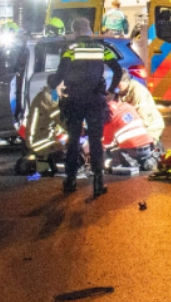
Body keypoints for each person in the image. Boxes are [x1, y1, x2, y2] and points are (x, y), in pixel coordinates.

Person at [48, 18, 125, 197]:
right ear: (89, 30)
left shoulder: (70, 49)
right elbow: (118, 70)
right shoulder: (101, 48)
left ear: (75, 32)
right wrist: (111, 90)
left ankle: (70, 180)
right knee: (96, 141)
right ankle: (98, 181)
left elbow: (60, 74)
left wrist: (54, 85)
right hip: (95, 100)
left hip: (74, 101)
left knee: (73, 140)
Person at [23, 83, 64, 176]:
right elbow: (58, 117)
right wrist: (75, 130)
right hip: (37, 140)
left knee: (61, 137)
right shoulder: (48, 99)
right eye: (62, 87)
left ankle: (44, 169)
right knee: (64, 142)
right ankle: (44, 169)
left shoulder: (48, 95)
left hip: (39, 137)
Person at [117, 72, 164, 149]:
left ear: (126, 80)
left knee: (142, 151)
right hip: (138, 125)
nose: (116, 86)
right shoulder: (124, 91)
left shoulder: (138, 92)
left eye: (118, 83)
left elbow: (143, 117)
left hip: (151, 127)